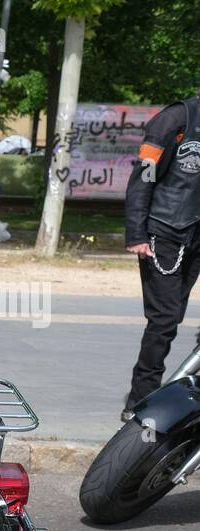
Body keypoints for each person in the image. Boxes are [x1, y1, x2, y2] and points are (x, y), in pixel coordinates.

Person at [123, 90, 200, 419]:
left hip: (197, 233)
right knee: (164, 320)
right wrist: (137, 234)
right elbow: (143, 176)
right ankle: (140, 402)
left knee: (174, 316)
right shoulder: (176, 119)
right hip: (165, 233)